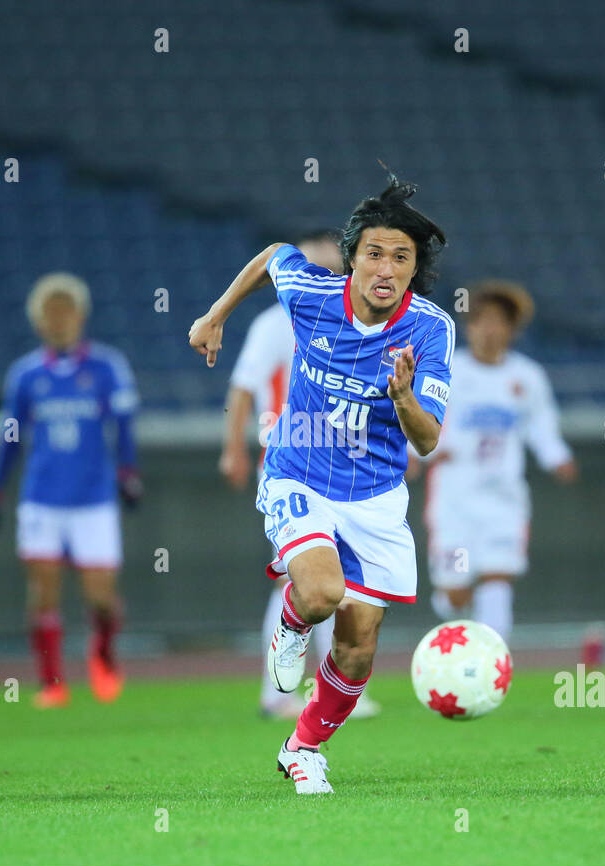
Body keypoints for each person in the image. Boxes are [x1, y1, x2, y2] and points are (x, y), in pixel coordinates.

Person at [189, 174, 453, 794]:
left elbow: (428, 437)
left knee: (359, 644)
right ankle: (292, 620)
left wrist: (404, 397)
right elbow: (272, 257)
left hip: (378, 494)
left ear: (414, 270)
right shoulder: (311, 292)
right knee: (319, 594)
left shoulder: (431, 329)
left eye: (401, 257)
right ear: (352, 257)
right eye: (374, 253)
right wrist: (215, 314)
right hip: (297, 470)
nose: (385, 268)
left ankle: (303, 748)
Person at [220, 229, 379, 720]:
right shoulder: (275, 322)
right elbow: (243, 386)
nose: (328, 275)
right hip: (296, 462)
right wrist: (233, 448)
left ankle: (338, 691)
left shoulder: (362, 322)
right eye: (318, 266)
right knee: (294, 578)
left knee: (348, 581)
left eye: (337, 266)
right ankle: (277, 694)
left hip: (350, 465)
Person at [0, 273, 141, 707]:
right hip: (41, 499)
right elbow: (9, 437)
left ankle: (103, 654)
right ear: (38, 321)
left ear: (81, 316)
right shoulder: (26, 376)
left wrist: (128, 473)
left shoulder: (108, 368)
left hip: (94, 498)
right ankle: (52, 683)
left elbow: (123, 428)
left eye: (66, 312)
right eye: (50, 314)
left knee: (101, 598)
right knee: (43, 592)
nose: (59, 321)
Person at [416, 279, 577, 641]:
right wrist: (414, 453)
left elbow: (542, 427)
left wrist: (558, 458)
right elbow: (420, 419)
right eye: (482, 320)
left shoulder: (527, 377)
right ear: (469, 327)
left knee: (497, 575)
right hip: (454, 497)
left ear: (511, 330)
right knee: (454, 588)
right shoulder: (447, 370)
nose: (490, 329)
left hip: (504, 497)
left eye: (499, 322)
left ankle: (493, 663)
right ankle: (454, 612)